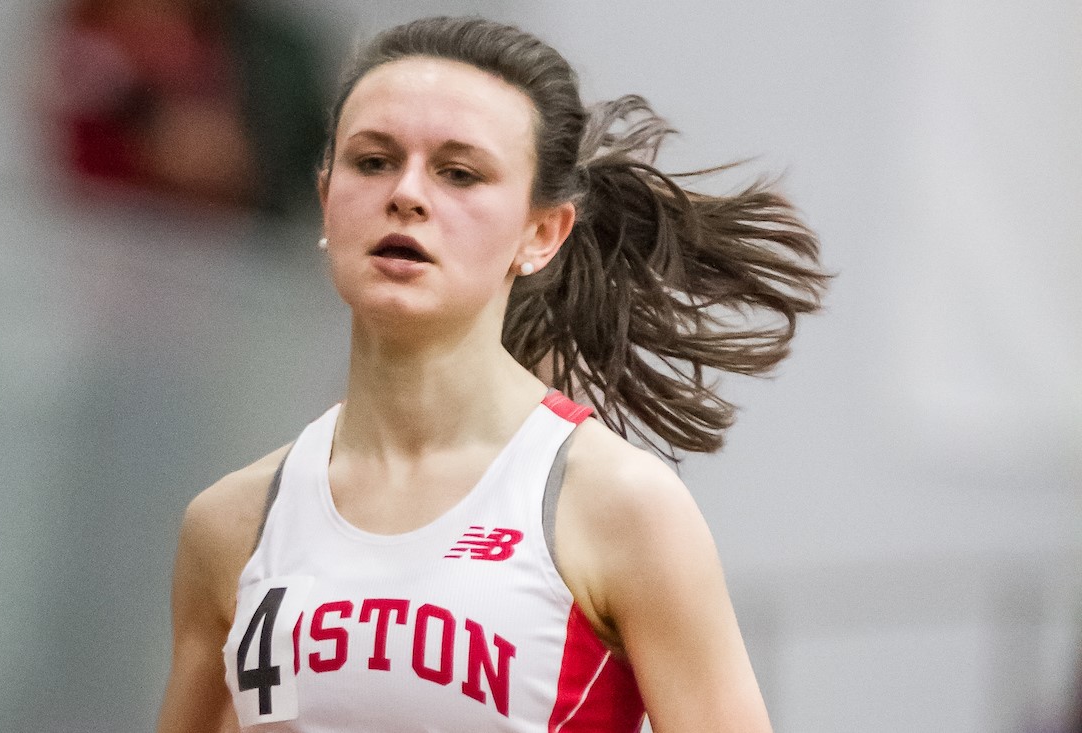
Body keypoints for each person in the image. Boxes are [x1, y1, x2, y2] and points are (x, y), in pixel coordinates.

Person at [157, 15, 829, 733]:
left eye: (459, 172)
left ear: (542, 234)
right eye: (373, 161)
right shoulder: (232, 524)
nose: (407, 194)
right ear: (326, 198)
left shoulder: (619, 506)